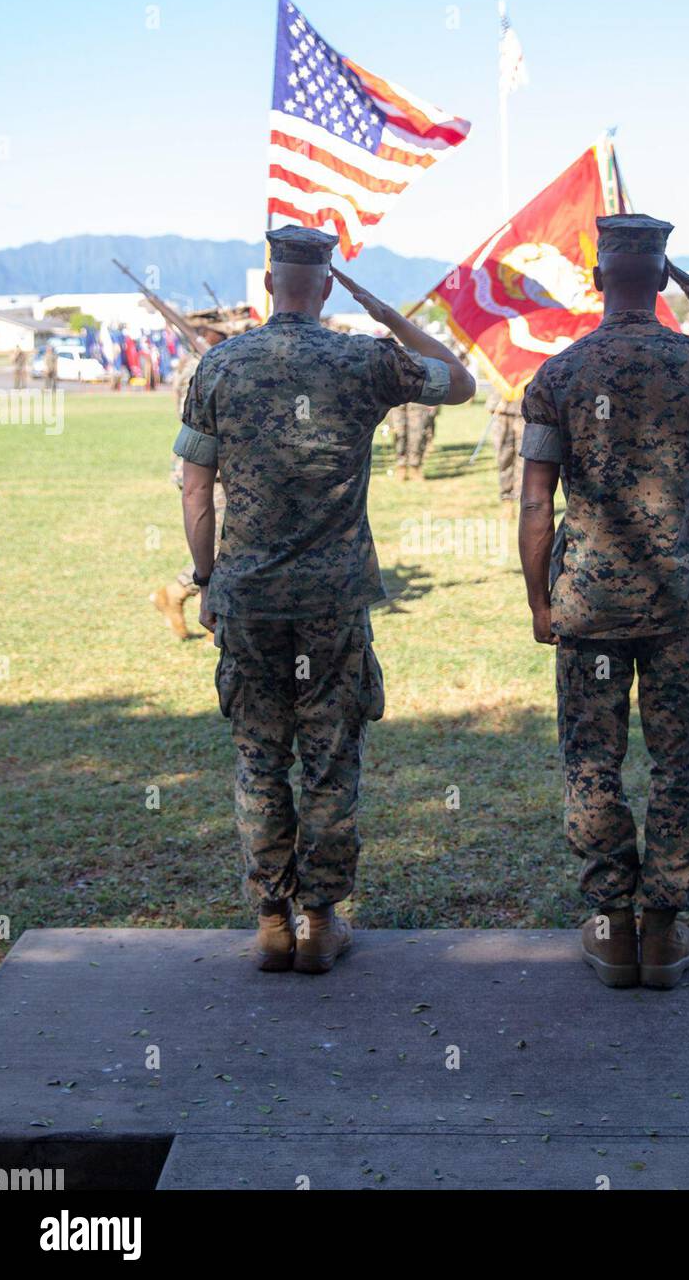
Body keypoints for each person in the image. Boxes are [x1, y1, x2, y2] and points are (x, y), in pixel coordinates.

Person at [174, 226, 474, 974]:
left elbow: (194, 485)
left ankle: (272, 920)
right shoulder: (364, 361)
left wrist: (207, 579)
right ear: (331, 288)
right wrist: (390, 316)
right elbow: (460, 381)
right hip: (333, 602)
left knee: (259, 761)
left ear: (269, 285)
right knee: (331, 761)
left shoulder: (221, 365)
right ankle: (320, 919)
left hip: (248, 599)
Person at [518, 215, 689, 991]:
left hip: (587, 609)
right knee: (678, 765)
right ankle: (665, 931)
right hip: (679, 607)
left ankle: (613, 931)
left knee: (592, 766)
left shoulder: (558, 376)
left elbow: (536, 505)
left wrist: (540, 602)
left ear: (601, 279)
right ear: (665, 277)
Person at [150, 339, 226, 640]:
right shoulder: (200, 366)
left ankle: (209, 610)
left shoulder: (211, 361)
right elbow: (197, 420)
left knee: (225, 539)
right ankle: (176, 592)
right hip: (206, 467)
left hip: (212, 465)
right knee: (222, 542)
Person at [488, 389, 524, 510]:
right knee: (503, 456)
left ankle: (522, 500)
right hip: (501, 407)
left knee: (524, 458)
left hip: (525, 408)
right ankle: (506, 497)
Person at [388, 400, 437, 480]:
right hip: (395, 393)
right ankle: (401, 465)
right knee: (399, 431)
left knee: (418, 433)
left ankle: (414, 466)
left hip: (418, 395)